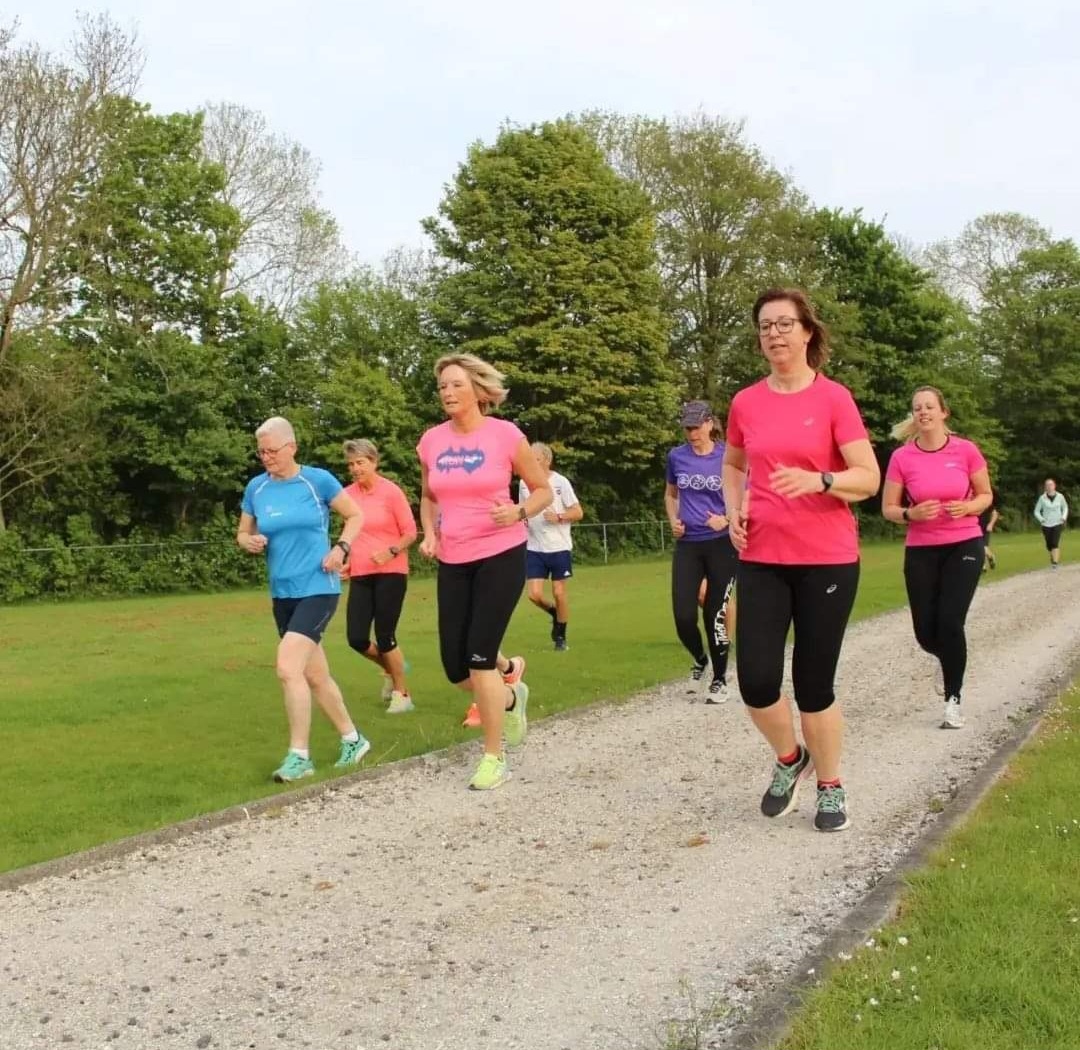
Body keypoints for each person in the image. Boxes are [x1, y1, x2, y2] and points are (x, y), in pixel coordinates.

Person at [722, 288, 879, 833]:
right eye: (765, 325)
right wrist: (732, 507)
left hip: (827, 560)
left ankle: (831, 787)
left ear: (807, 332)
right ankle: (791, 758)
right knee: (757, 682)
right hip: (762, 555)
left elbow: (868, 476)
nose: (774, 334)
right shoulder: (745, 402)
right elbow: (735, 464)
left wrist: (821, 479)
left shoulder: (834, 398)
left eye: (785, 324)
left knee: (814, 684)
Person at [417, 353, 553, 790]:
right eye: (442, 387)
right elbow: (429, 495)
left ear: (478, 390)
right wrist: (429, 533)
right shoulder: (432, 441)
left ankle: (494, 756)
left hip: (501, 553)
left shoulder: (505, 435)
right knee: (456, 669)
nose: (448, 393)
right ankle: (512, 691)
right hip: (453, 558)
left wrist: (518, 512)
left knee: (477, 658)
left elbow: (543, 491)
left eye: (456, 385)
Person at [237, 416, 371, 782]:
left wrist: (342, 548)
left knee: (287, 668)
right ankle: (353, 739)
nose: (266, 457)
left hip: (319, 586)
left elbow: (356, 515)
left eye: (272, 450)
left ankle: (300, 756)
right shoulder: (257, 488)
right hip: (283, 592)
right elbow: (243, 532)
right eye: (261, 451)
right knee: (316, 676)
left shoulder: (318, 481)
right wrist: (248, 542)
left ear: (291, 446)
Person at [881, 387, 993, 730]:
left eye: (929, 407)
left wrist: (969, 506)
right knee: (925, 633)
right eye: (917, 408)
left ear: (944, 412)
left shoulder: (966, 450)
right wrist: (911, 514)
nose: (923, 412)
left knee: (949, 622)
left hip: (964, 544)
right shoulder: (902, 457)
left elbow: (985, 495)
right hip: (921, 548)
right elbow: (888, 509)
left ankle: (953, 700)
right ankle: (950, 660)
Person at [665, 400, 738, 702]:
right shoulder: (676, 457)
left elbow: (748, 497)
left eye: (696, 427)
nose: (691, 433)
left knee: (715, 614)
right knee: (683, 615)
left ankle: (720, 678)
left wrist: (729, 518)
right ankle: (700, 659)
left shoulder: (728, 457)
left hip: (722, 544)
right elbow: (671, 494)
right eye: (687, 428)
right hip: (689, 544)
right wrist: (673, 520)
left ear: (710, 423)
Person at [341, 439, 418, 714]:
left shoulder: (391, 492)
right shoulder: (347, 495)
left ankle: (402, 694)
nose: (355, 468)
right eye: (351, 464)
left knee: (385, 637)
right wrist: (346, 561)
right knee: (356, 638)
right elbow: (351, 532)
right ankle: (391, 668)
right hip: (361, 573)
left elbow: (410, 531)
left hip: (391, 572)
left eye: (360, 462)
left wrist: (391, 551)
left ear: (374, 462)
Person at [519, 442, 583, 651]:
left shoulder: (560, 482)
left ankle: (560, 636)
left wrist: (559, 516)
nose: (531, 464)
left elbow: (578, 512)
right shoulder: (523, 483)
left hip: (558, 546)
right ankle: (555, 613)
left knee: (559, 592)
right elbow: (523, 511)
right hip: (534, 546)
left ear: (547, 460)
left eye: (535, 460)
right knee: (534, 595)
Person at [1034, 478, 1068, 569]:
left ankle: (1055, 563)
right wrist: (1041, 519)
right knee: (1049, 545)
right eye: (1047, 485)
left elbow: (1065, 507)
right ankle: (1052, 557)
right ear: (1045, 487)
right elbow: (1036, 511)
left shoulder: (1060, 496)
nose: (1049, 487)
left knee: (1055, 543)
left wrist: (1063, 517)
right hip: (1046, 524)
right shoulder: (1042, 498)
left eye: (1051, 485)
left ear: (1054, 486)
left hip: (1057, 522)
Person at [979, 486, 1000, 571]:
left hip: (985, 527)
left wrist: (991, 524)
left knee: (983, 547)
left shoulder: (987, 503)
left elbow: (995, 514)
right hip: (975, 528)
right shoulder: (973, 501)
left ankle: (991, 557)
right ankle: (983, 566)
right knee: (979, 547)